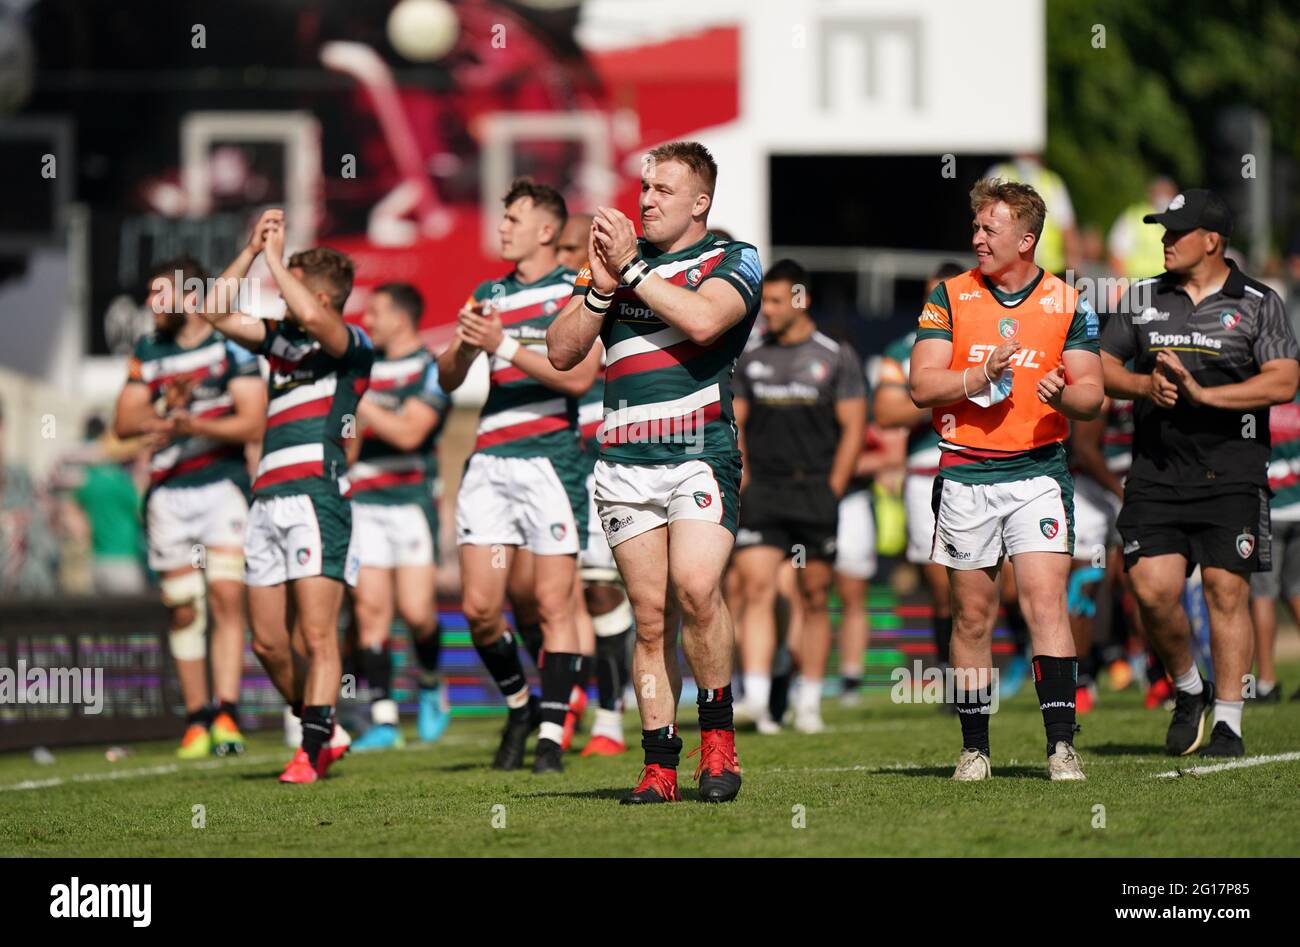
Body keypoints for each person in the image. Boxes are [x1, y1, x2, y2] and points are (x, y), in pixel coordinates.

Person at [547, 140, 763, 803]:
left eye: (663, 190)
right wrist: (599, 287)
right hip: (624, 463)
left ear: (700, 202)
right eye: (644, 189)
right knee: (648, 621)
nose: (645, 200)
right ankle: (659, 763)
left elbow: (703, 322)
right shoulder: (616, 273)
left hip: (699, 453)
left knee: (697, 591)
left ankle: (719, 746)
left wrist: (633, 269)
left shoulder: (734, 258)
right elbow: (562, 353)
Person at [910, 178, 1104, 781]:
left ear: (1026, 238)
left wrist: (1067, 397)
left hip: (1039, 473)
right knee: (972, 615)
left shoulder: (1069, 301)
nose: (977, 239)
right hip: (966, 473)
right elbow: (920, 385)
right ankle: (975, 748)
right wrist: (976, 375)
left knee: (1046, 603)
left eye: (988, 230)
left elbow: (1093, 394)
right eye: (975, 228)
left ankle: (1061, 746)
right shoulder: (949, 295)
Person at [1101, 189, 1300, 756]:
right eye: (1162, 232)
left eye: (1175, 233)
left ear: (1212, 241)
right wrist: (1144, 385)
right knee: (1151, 589)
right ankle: (1190, 688)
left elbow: (1284, 379)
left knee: (1224, 590)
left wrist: (1205, 397)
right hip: (1157, 470)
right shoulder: (1141, 299)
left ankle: (1230, 723)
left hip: (1233, 470)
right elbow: (1101, 366)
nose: (1164, 241)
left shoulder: (1260, 302)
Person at [201, 209, 375, 783]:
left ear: (322, 295)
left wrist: (279, 260)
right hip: (267, 499)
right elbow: (212, 310)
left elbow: (309, 314)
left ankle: (312, 749)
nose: (280, 297)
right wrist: (252, 249)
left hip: (316, 498)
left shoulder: (351, 345)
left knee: (317, 634)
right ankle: (325, 727)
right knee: (270, 643)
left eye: (292, 284)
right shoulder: (280, 344)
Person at [437, 179, 602, 774]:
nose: (501, 227)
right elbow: (450, 378)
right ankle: (519, 704)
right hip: (488, 461)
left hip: (550, 461)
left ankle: (553, 737)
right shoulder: (490, 292)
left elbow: (579, 377)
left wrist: (502, 344)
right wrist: (464, 344)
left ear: (545, 230)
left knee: (555, 604)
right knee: (481, 609)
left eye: (512, 218)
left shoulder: (577, 290)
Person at [113, 256, 266, 758]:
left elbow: (253, 422)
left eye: (162, 295)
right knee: (183, 607)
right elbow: (123, 423)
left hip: (221, 484)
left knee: (225, 596)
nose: (153, 306)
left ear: (190, 297)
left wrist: (196, 427)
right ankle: (197, 718)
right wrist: (164, 407)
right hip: (168, 494)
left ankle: (226, 712)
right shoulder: (148, 350)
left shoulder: (229, 345)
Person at [731, 258, 867, 735]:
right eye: (762, 300)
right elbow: (738, 425)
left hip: (815, 490)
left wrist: (833, 488)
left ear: (800, 300)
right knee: (755, 588)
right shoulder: (750, 358)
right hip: (764, 491)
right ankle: (757, 702)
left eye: (772, 300)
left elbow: (853, 429)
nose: (764, 309)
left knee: (813, 596)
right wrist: (744, 479)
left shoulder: (836, 356)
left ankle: (808, 703)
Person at [346, 283, 452, 750]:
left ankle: (431, 683)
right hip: (364, 502)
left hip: (410, 503)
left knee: (417, 613)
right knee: (371, 614)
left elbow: (411, 434)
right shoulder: (362, 367)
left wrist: (359, 399)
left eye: (376, 311)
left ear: (403, 317)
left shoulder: (431, 368)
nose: (367, 320)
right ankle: (384, 720)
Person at [557, 210, 630, 754]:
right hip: (557, 466)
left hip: (611, 459)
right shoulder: (550, 307)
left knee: (604, 590)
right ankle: (571, 696)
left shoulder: (619, 299)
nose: (565, 259)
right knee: (555, 593)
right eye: (559, 248)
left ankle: (609, 714)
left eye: (573, 248)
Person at [873, 262, 965, 684]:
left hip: (984, 464)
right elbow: (887, 411)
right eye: (932, 294)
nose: (937, 302)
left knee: (1002, 582)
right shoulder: (903, 347)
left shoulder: (985, 339)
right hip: (926, 470)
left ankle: (1020, 653)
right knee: (940, 580)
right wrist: (959, 389)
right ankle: (950, 673)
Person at [1247, 395, 1300, 703]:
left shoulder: (1258, 404)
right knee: (1295, 590)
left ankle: (1266, 682)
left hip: (1269, 509)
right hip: (1298, 508)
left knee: (1262, 594)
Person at [984, 154, 1080, 276]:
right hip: (1011, 272)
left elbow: (1068, 232)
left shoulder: (1052, 182)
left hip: (1048, 272)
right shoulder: (999, 173)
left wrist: (1071, 272)